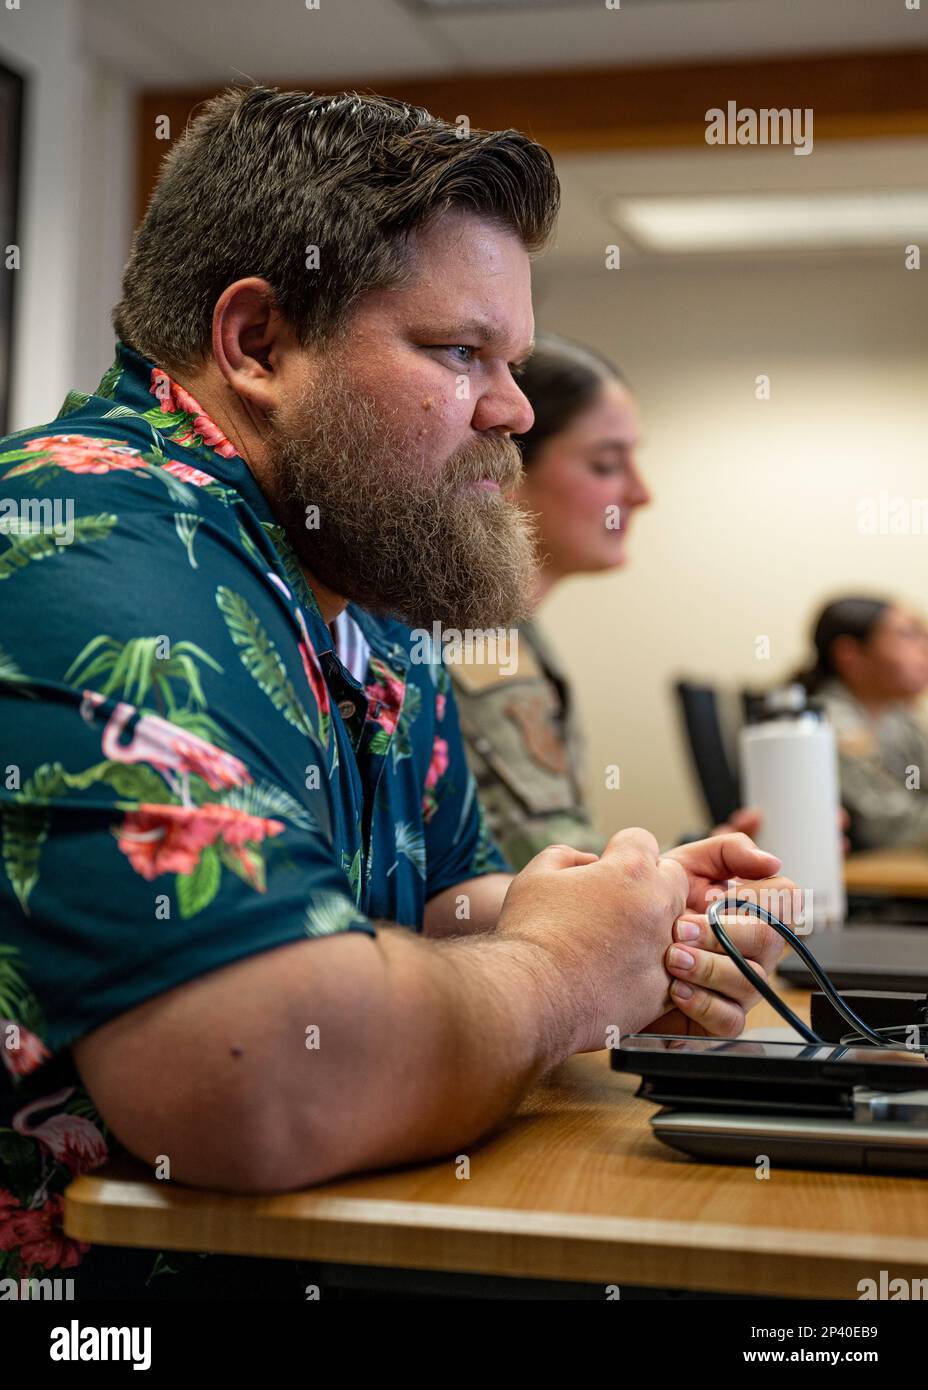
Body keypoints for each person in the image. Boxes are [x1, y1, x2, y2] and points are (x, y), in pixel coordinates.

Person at [0, 86, 790, 1299]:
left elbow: (438, 899)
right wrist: (565, 977)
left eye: (512, 360)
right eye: (458, 351)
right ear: (257, 343)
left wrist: (623, 919)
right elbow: (265, 1078)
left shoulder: (354, 569)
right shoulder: (80, 546)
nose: (513, 409)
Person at [450, 335, 760, 865]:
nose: (641, 494)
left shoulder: (507, 628)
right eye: (606, 464)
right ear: (505, 471)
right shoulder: (470, 635)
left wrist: (708, 856)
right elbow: (543, 869)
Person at [796, 597, 928, 850]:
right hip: (862, 877)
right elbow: (888, 828)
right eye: (907, 636)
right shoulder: (822, 724)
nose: (924, 650)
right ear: (850, 655)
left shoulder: (898, 718)